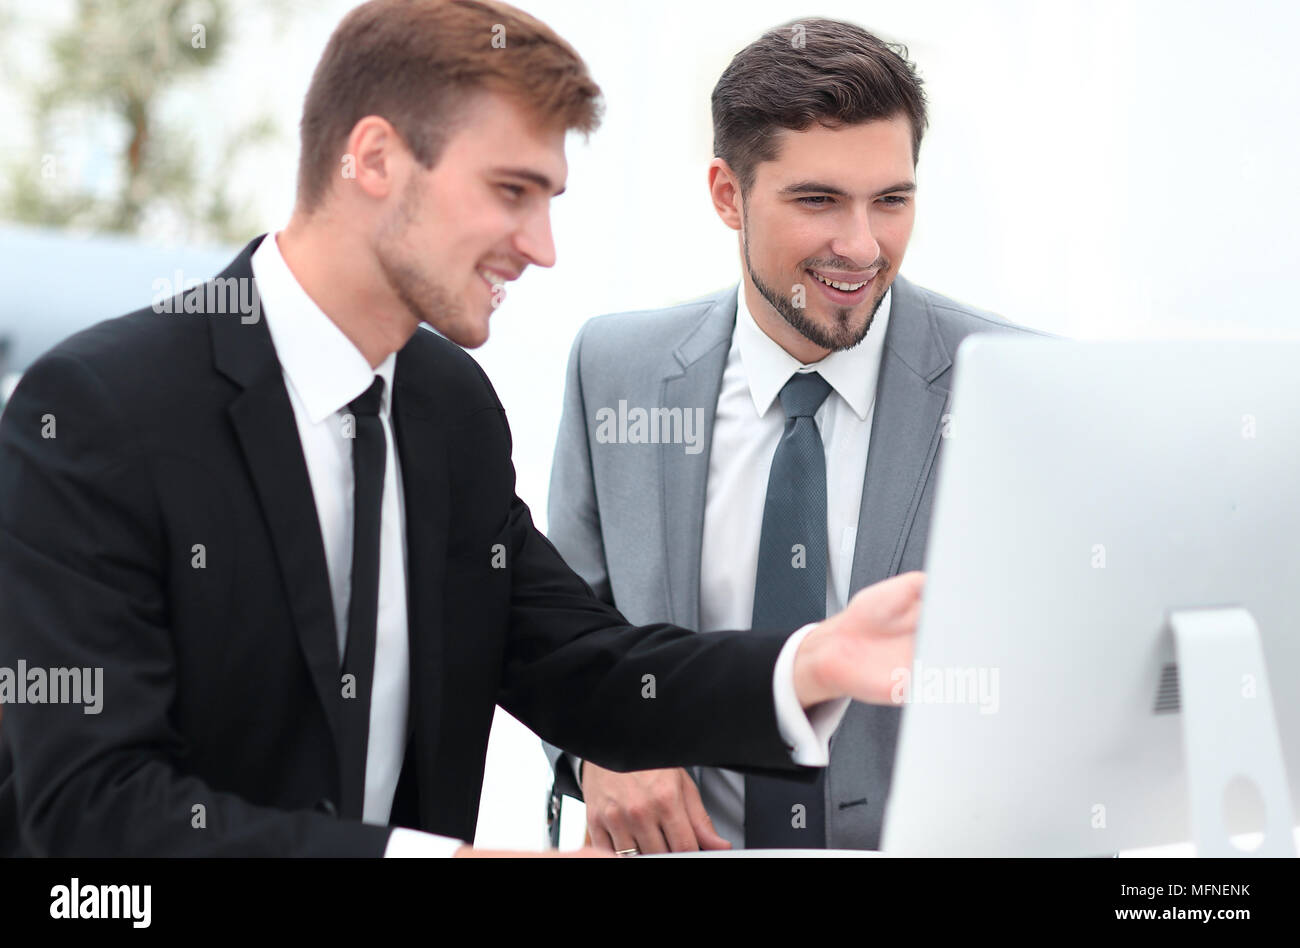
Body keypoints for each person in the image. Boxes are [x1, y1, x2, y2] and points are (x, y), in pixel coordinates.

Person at [0, 0, 922, 858]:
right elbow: (94, 804)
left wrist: (812, 661)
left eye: (549, 199)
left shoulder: (449, 409)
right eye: (512, 191)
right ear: (373, 159)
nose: (541, 244)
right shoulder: (99, 411)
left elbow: (585, 667)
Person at [544, 17, 1040, 852]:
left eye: (891, 200)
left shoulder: (1014, 388)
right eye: (818, 200)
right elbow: (561, 633)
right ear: (727, 194)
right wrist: (600, 748)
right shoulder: (615, 369)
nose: (860, 246)